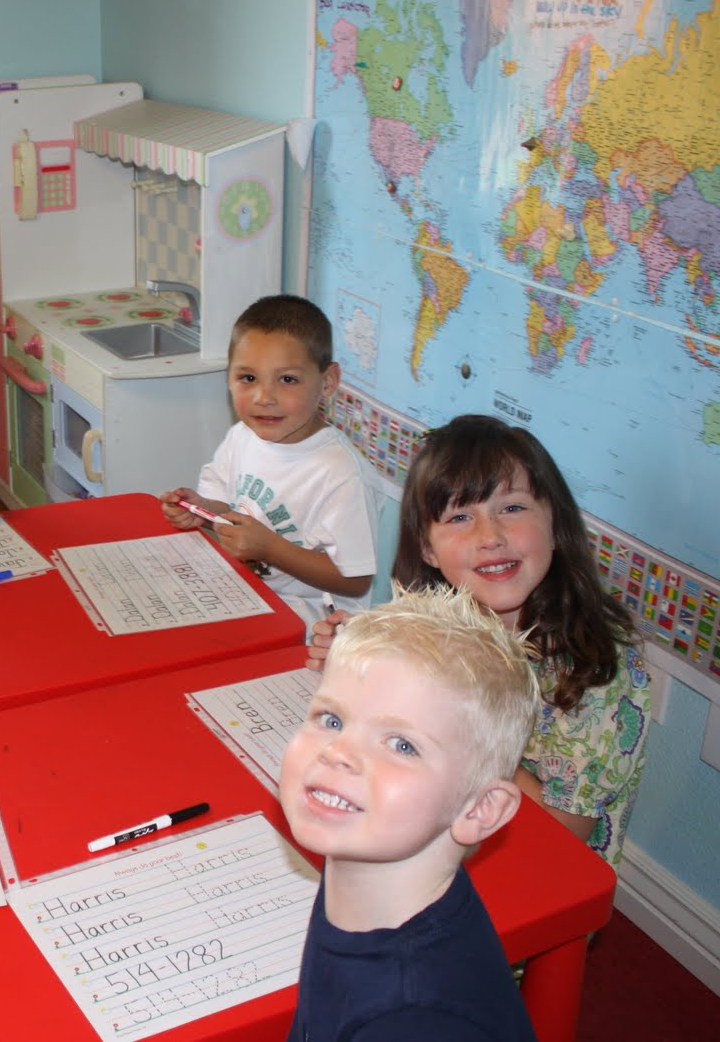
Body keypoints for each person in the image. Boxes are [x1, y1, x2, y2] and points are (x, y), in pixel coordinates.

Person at [306, 413, 648, 867]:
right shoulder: (438, 618)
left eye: (512, 508)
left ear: (555, 522)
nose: (490, 537)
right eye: (461, 516)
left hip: (539, 869)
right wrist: (359, 660)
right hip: (441, 832)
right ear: (428, 550)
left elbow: (563, 832)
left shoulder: (599, 666)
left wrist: (454, 723)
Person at [281, 584, 541, 1042]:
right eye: (332, 719)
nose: (338, 752)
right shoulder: (366, 872)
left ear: (480, 808)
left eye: (402, 745)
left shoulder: (418, 1020)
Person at [160, 294, 380, 626]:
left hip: (313, 624)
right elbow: (226, 506)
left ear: (328, 382)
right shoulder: (242, 436)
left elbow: (355, 580)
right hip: (246, 593)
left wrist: (271, 549)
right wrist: (202, 510)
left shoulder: (342, 473)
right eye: (248, 378)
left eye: (288, 379)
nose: (264, 398)